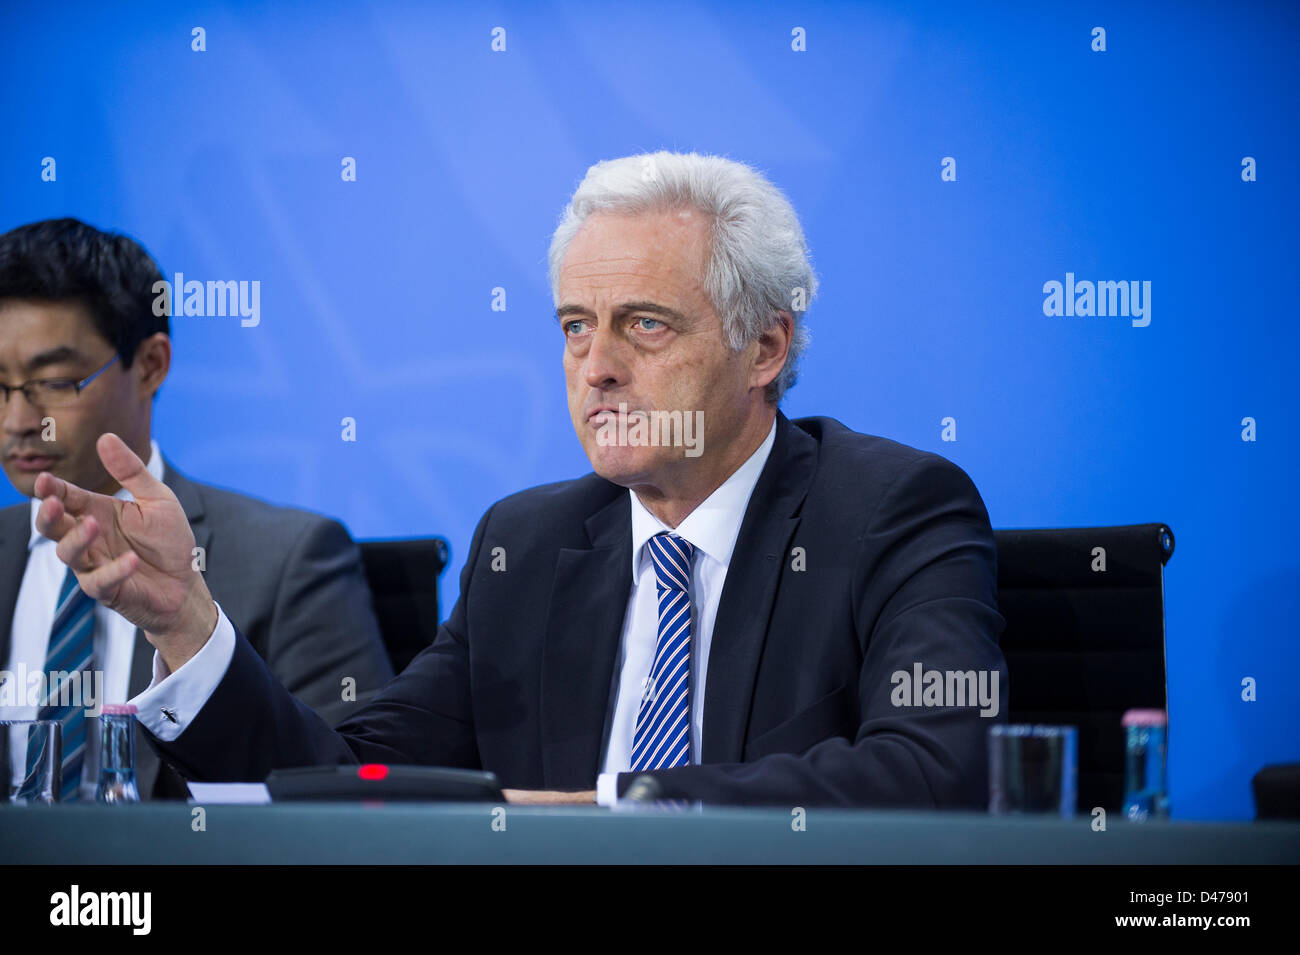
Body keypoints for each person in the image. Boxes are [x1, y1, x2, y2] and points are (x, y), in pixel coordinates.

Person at [33, 154, 1008, 807]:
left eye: (645, 324)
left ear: (763, 345)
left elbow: (941, 764)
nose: (597, 366)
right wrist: (185, 626)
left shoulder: (888, 510)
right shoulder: (531, 544)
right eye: (575, 325)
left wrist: (623, 806)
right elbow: (343, 774)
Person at [0, 218, 393, 800]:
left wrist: (188, 630)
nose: (17, 421)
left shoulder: (289, 561)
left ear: (152, 365)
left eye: (54, 382)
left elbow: (352, 800)